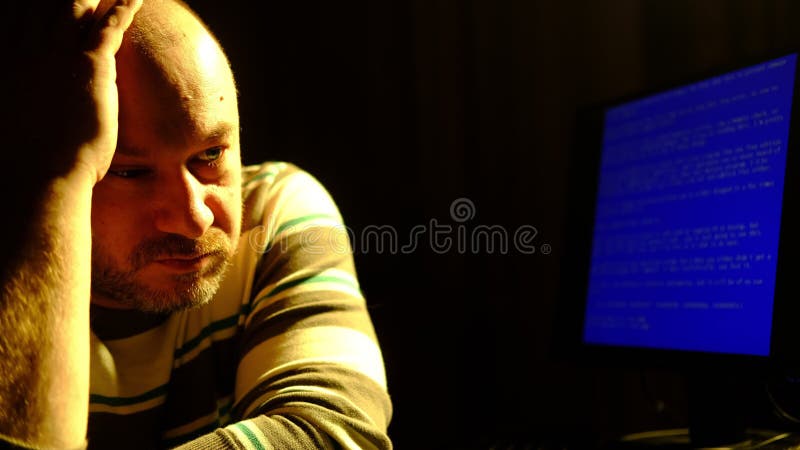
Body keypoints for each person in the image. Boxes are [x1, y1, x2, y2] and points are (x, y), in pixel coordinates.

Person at [0, 0, 392, 449]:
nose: (194, 218)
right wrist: (60, 180)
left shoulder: (272, 213)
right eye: (130, 171)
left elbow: (333, 432)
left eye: (210, 155)